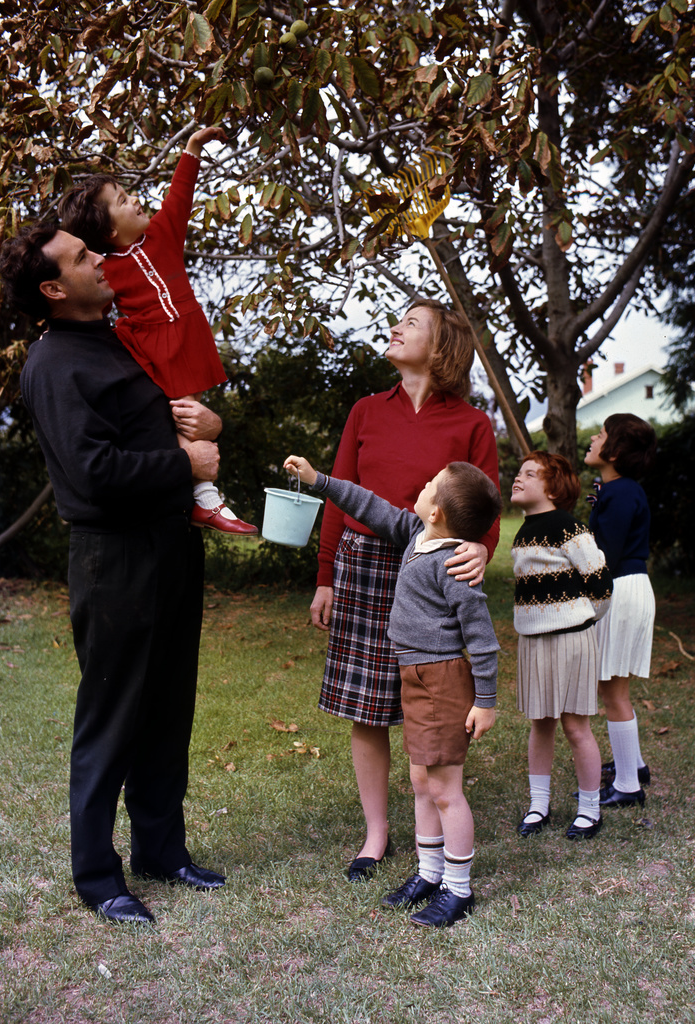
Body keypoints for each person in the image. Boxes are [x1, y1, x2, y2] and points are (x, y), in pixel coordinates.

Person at [0, 222, 228, 925]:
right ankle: (97, 876)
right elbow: (92, 474)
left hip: (171, 545)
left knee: (167, 707)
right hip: (114, 558)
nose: (102, 260)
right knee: (112, 715)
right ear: (53, 288)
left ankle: (162, 849)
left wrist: (205, 430)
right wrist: (182, 465)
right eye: (83, 257)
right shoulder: (54, 363)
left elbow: (168, 420)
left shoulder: (119, 338)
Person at [309, 300, 501, 882]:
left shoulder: (472, 424)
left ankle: (437, 828)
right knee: (365, 708)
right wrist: (325, 577)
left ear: (441, 345)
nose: (395, 327)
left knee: (429, 699)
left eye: (411, 322)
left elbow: (486, 508)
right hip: (364, 565)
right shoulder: (366, 411)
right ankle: (376, 835)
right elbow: (342, 494)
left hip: (434, 572)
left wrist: (483, 550)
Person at [285, 455, 502, 927]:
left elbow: (483, 641)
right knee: (422, 783)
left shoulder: (454, 565)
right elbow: (369, 504)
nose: (420, 485)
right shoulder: (417, 536)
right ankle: (428, 874)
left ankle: (458, 891)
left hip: (441, 681)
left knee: (446, 791)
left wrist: (486, 702)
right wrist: (318, 481)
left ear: (437, 511)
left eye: (429, 483)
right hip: (414, 677)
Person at [57, 126, 257, 537]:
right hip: (148, 346)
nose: (137, 201)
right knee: (176, 419)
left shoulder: (162, 235)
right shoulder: (105, 269)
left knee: (188, 419)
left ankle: (200, 495)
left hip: (184, 340)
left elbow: (179, 195)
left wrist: (192, 149)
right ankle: (205, 497)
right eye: (125, 201)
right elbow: (85, 310)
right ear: (110, 233)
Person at [509, 451, 612, 840]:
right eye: (519, 473)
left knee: (575, 726)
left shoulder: (572, 530)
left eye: (530, 474)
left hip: (571, 640)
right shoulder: (522, 532)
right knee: (541, 722)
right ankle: (539, 804)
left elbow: (600, 587)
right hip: (532, 644)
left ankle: (590, 809)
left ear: (553, 488)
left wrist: (578, 621)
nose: (518, 478)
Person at [584, 414, 658, 807]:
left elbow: (604, 556)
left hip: (622, 590)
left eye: (601, 434)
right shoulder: (619, 489)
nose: (593, 438)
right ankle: (636, 764)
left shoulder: (621, 493)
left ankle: (629, 786)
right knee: (615, 688)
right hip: (628, 588)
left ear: (613, 450)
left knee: (613, 690)